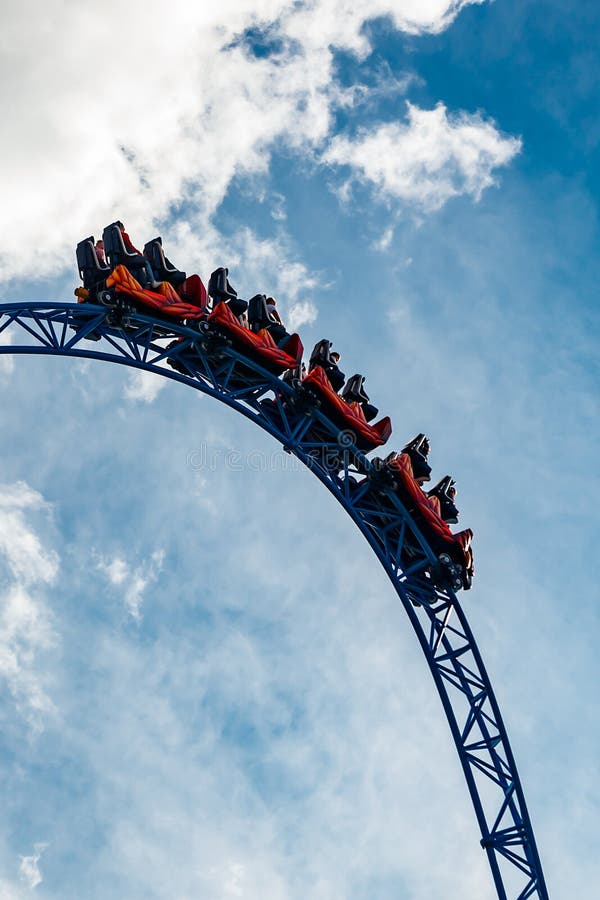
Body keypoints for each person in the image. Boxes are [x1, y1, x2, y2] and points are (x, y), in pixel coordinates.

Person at [115, 221, 158, 288]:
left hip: (120, 260)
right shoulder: (123, 235)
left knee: (139, 266)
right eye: (123, 228)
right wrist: (139, 253)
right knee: (145, 262)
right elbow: (130, 246)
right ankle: (153, 282)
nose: (124, 229)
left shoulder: (113, 239)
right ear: (121, 227)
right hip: (128, 257)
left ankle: (144, 285)